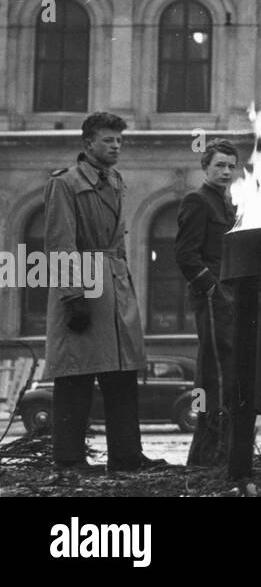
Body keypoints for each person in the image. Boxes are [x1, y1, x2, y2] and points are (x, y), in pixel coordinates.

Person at [44, 112, 162, 473]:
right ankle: (69, 460)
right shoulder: (65, 184)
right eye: (108, 140)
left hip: (115, 287)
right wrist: (72, 297)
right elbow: (59, 243)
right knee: (75, 377)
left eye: (119, 141)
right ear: (87, 143)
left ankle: (126, 457)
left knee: (122, 376)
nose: (116, 147)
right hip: (84, 289)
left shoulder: (115, 180)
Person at [174, 139, 240, 467]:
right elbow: (185, 254)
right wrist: (212, 289)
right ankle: (211, 452)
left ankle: (215, 451)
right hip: (213, 299)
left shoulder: (226, 205)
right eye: (219, 165)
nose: (226, 171)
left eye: (231, 165)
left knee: (225, 369)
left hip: (229, 298)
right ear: (205, 167)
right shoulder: (197, 201)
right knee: (216, 370)